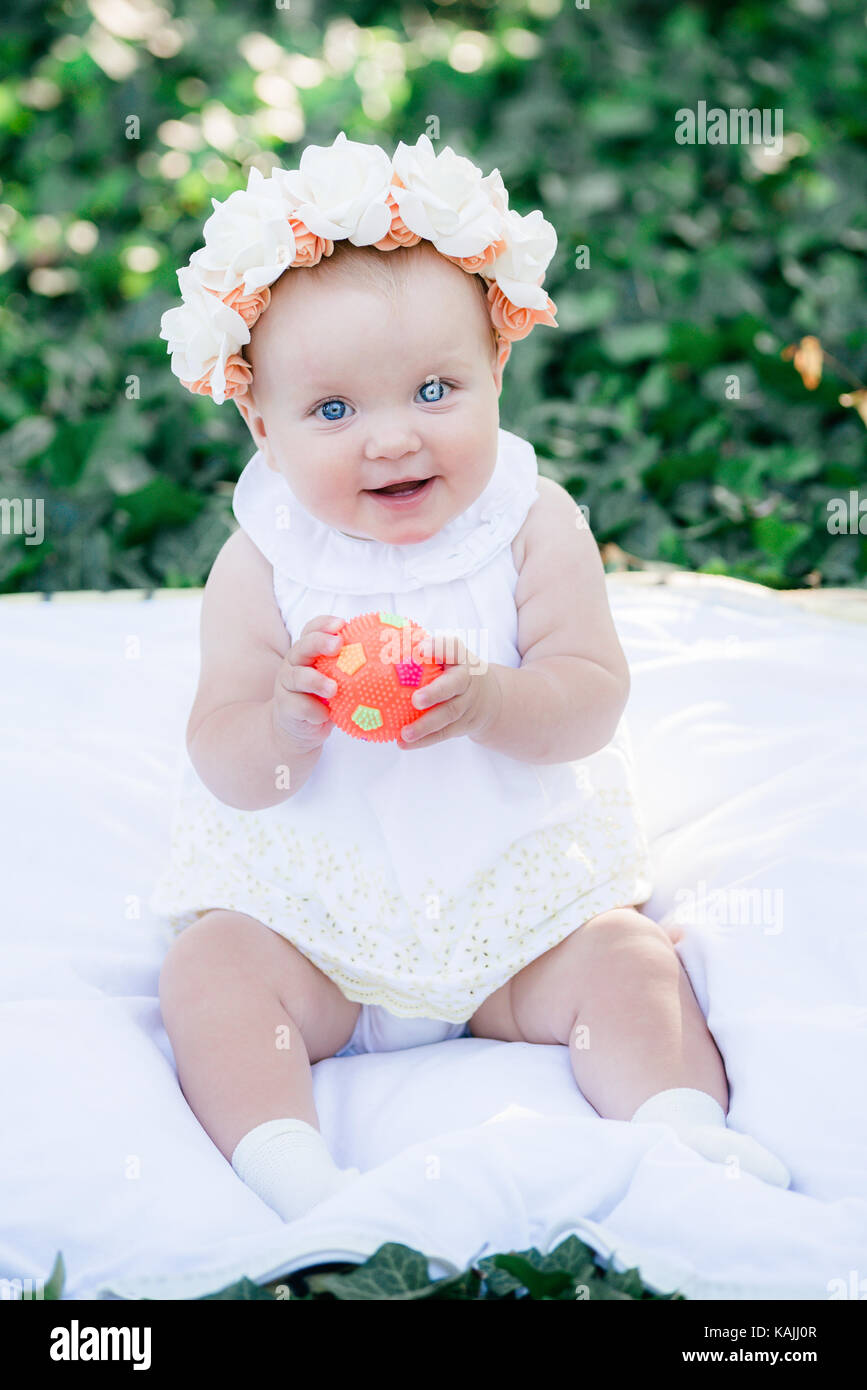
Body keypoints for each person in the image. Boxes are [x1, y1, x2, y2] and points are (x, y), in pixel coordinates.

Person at [152, 132, 790, 1222]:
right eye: (334, 411)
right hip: (317, 929)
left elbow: (591, 693)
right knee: (210, 970)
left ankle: (683, 1132)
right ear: (261, 422)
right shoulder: (262, 559)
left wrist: (498, 700)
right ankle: (286, 1167)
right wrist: (281, 724)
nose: (393, 439)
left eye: (436, 389)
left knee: (630, 963)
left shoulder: (532, 526)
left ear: (499, 367)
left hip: (521, 916)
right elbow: (221, 749)